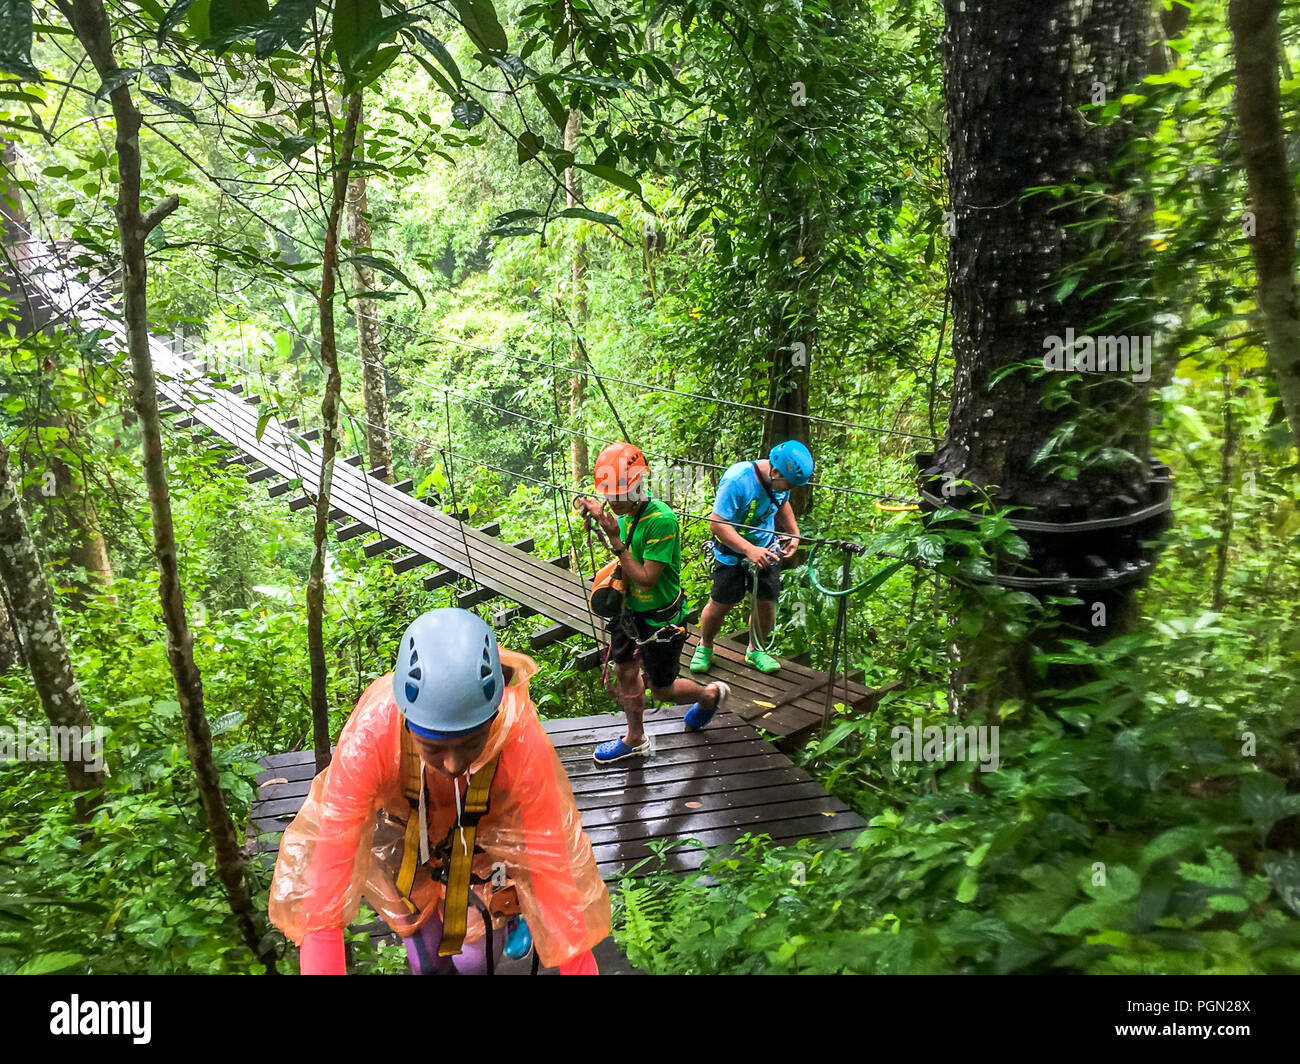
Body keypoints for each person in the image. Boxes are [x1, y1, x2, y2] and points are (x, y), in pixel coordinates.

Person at [268, 608, 610, 974]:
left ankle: (510, 912)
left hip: (487, 843)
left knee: (474, 961)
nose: (451, 765)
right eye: (434, 747)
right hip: (412, 838)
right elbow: (328, 874)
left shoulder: (518, 739)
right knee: (428, 962)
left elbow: (553, 866)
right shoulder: (374, 734)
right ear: (406, 718)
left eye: (469, 744)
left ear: (494, 717)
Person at [574, 441, 730, 763]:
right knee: (625, 672)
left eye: (616, 493)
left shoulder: (661, 521)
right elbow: (626, 560)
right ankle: (635, 738)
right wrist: (605, 529)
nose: (611, 501)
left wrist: (615, 540)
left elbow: (646, 576)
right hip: (629, 611)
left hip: (660, 621)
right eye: (607, 494)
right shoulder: (625, 513)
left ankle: (709, 695)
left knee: (662, 689)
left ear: (636, 486)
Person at [691, 440, 814, 676]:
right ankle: (705, 645)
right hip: (732, 553)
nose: (788, 488)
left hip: (766, 550)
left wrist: (793, 533)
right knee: (721, 604)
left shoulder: (780, 481)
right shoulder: (738, 481)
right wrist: (748, 549)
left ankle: (755, 650)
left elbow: (782, 502)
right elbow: (716, 524)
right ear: (776, 471)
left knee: (766, 605)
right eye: (787, 483)